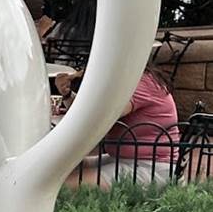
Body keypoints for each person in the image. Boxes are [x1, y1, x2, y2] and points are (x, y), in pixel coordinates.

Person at [58, 61, 180, 189]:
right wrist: (67, 95)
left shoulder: (141, 82)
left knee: (59, 187)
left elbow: (100, 118)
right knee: (61, 169)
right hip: (122, 159)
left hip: (150, 167)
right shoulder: (127, 79)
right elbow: (88, 116)